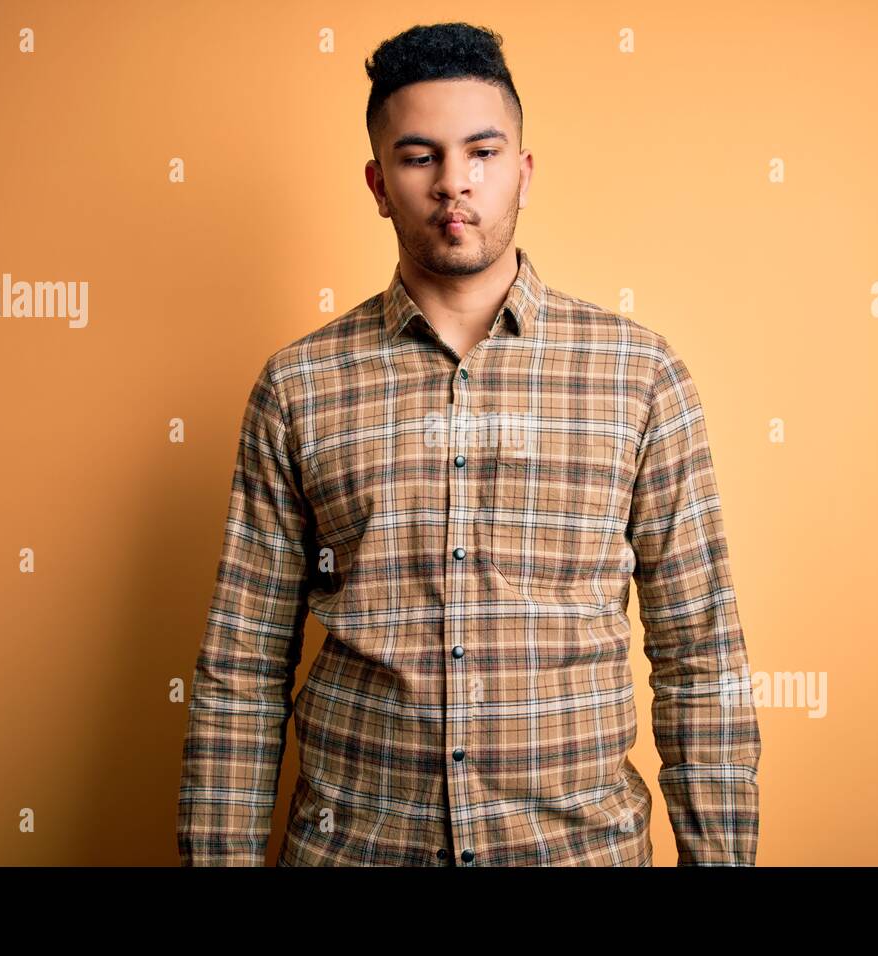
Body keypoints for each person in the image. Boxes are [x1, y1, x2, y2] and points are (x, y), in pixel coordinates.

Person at [177, 21, 761, 867]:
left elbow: (701, 655)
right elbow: (241, 666)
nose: (455, 183)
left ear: (523, 170)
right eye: (420, 158)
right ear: (379, 184)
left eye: (482, 152)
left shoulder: (639, 376)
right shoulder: (298, 386)